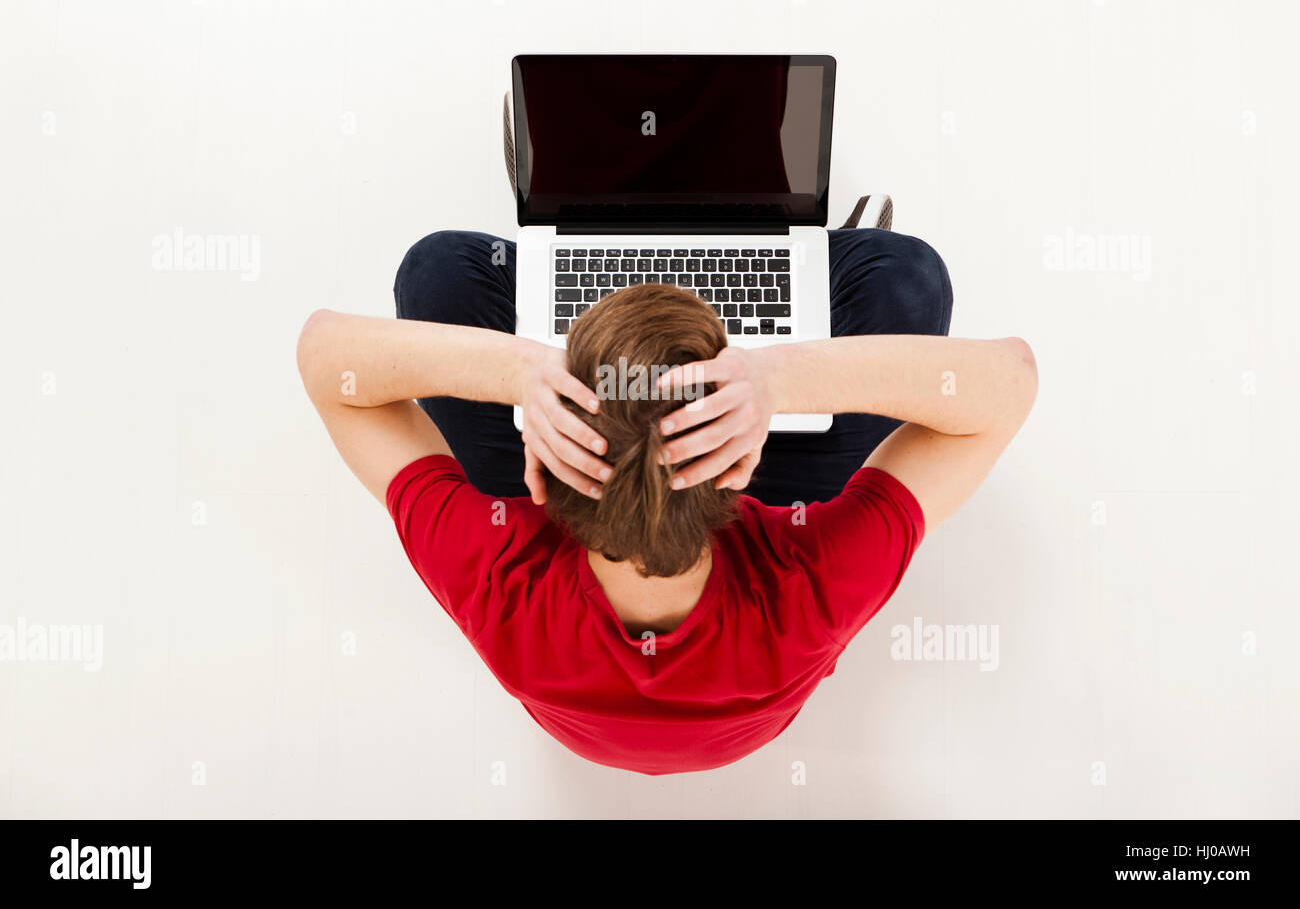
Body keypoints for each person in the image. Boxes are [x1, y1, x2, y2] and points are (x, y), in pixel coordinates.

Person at [295, 227, 1037, 775]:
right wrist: (778, 381)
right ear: (746, 469)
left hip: (592, 547)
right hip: (726, 581)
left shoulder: (499, 574)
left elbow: (324, 356)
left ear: (540, 478)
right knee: (904, 275)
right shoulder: (808, 587)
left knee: (440, 270)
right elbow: (1009, 382)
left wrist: (519, 372)